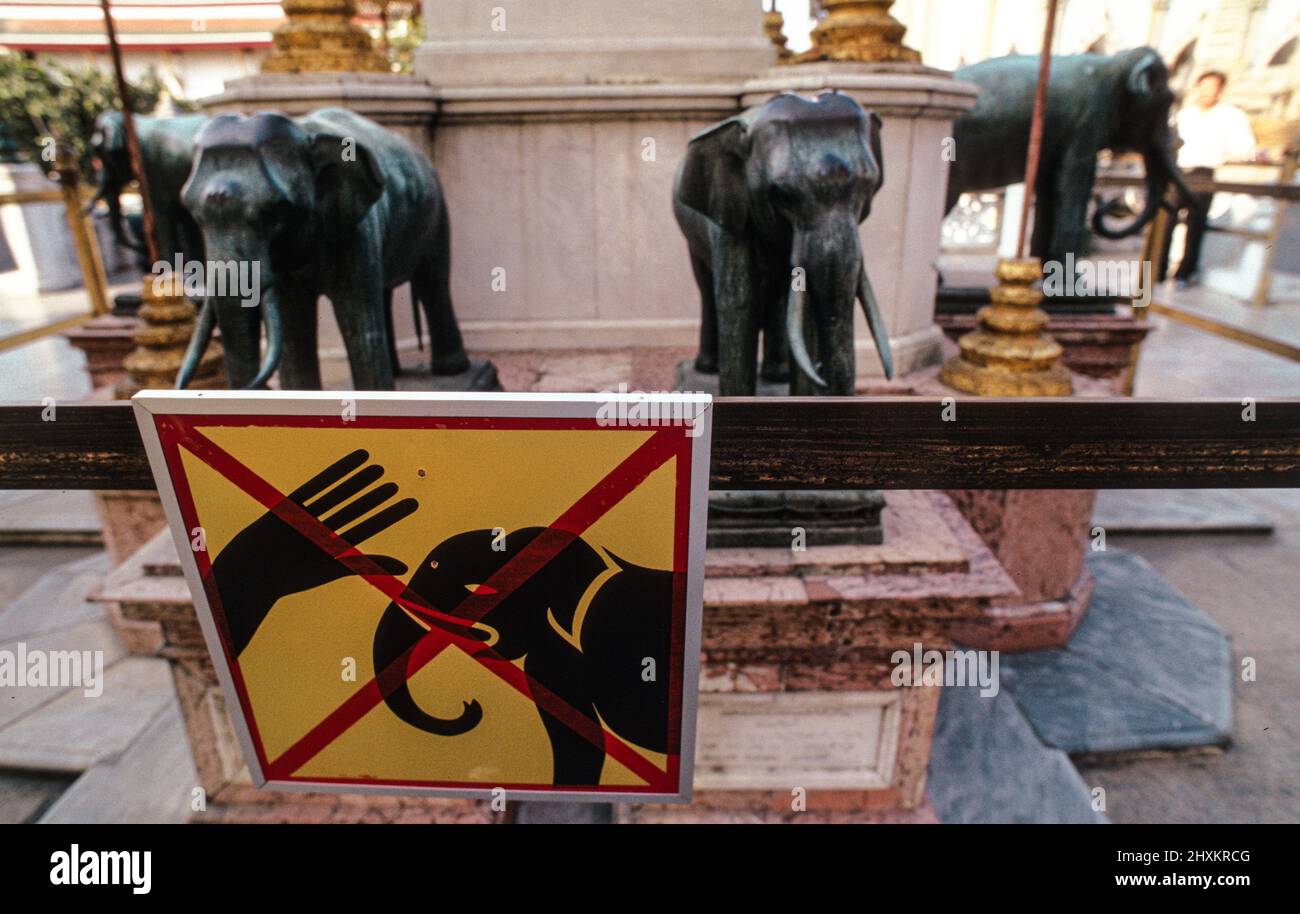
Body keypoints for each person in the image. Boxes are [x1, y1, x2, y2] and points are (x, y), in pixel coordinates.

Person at [1158, 71, 1257, 286]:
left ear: (1220, 90)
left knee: (1195, 225)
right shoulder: (1185, 115)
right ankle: (1158, 271)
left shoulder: (1231, 117)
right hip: (1178, 172)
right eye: (1203, 87)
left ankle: (1184, 274)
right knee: (1165, 222)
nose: (1206, 92)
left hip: (1204, 173)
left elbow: (1244, 147)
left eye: (1212, 88)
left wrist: (1221, 156)